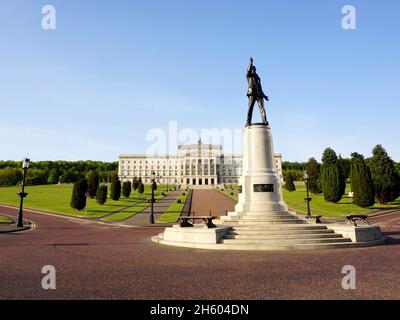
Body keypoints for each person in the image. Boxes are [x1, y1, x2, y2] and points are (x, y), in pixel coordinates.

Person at [246, 57, 269, 126]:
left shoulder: (258, 77)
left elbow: (260, 88)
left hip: (259, 95)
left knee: (262, 108)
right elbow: (248, 69)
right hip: (252, 94)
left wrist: (264, 96)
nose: (254, 70)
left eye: (255, 69)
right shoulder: (249, 76)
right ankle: (248, 121)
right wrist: (251, 62)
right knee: (250, 108)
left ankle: (265, 121)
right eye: (252, 69)